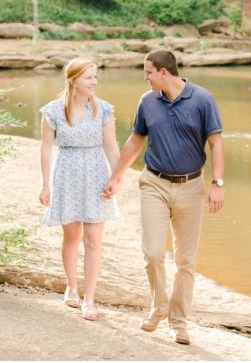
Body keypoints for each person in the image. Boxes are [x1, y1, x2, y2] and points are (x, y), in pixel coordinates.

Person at [102, 49, 225, 345]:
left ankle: (179, 322)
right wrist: (115, 177)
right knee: (154, 251)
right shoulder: (147, 102)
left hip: (191, 187)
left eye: (148, 72)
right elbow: (135, 142)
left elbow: (216, 143)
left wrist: (218, 183)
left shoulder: (202, 99)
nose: (145, 77)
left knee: (186, 260)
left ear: (164, 72)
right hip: (154, 184)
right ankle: (158, 305)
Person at [38, 58, 120, 321]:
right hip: (66, 173)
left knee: (94, 240)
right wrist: (45, 183)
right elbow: (45, 148)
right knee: (72, 237)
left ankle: (90, 299)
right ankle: (72, 286)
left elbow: (111, 146)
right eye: (88, 78)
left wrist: (116, 177)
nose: (94, 82)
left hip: (96, 174)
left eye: (95, 77)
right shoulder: (52, 111)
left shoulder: (104, 110)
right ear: (73, 80)